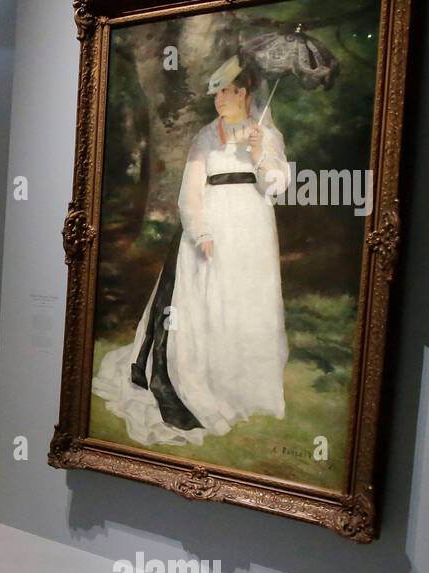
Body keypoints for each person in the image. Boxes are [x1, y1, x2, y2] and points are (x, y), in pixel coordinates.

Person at [91, 55, 289, 446]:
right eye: (218, 91)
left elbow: (276, 187)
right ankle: (203, 382)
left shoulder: (266, 134)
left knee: (245, 304)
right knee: (206, 304)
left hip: (252, 231)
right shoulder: (204, 138)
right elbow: (190, 194)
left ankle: (245, 387)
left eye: (230, 90)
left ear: (246, 94)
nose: (221, 97)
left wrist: (259, 153)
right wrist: (201, 233)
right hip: (213, 228)